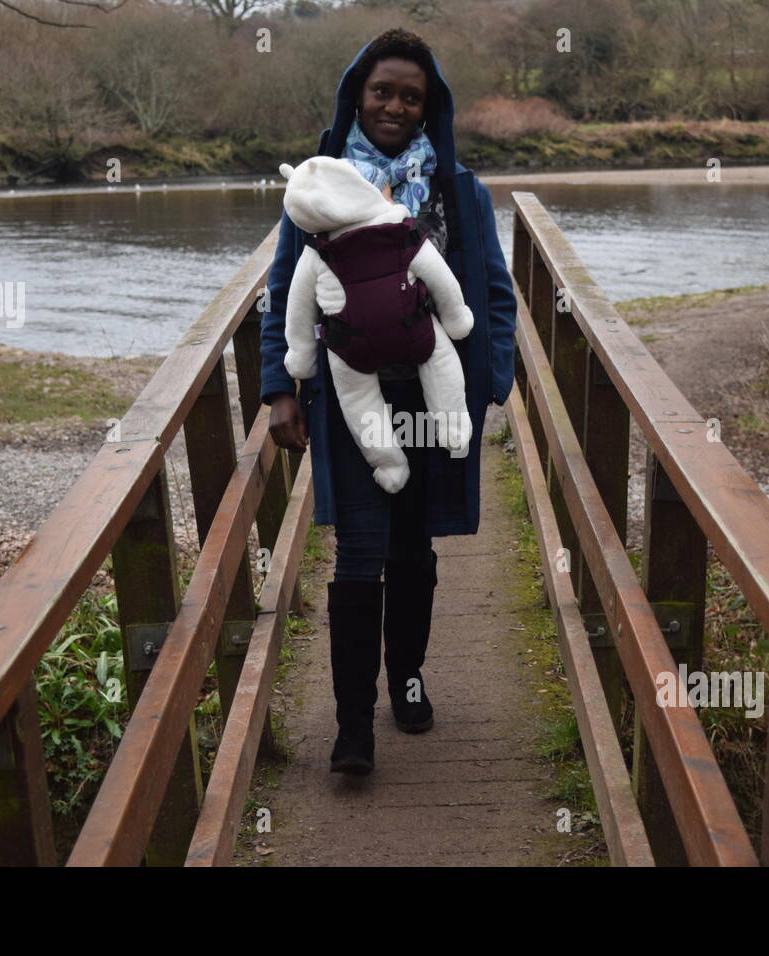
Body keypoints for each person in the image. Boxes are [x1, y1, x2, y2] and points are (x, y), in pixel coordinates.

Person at [259, 28, 517, 775]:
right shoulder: (315, 191)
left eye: (412, 95)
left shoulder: (460, 193)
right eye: (383, 92)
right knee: (357, 554)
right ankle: (352, 727)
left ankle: (406, 680)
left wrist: (491, 380)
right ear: (356, 98)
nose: (396, 106)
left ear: (429, 106)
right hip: (348, 400)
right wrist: (280, 388)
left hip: (432, 400)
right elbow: (284, 293)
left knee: (413, 548)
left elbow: (494, 295)